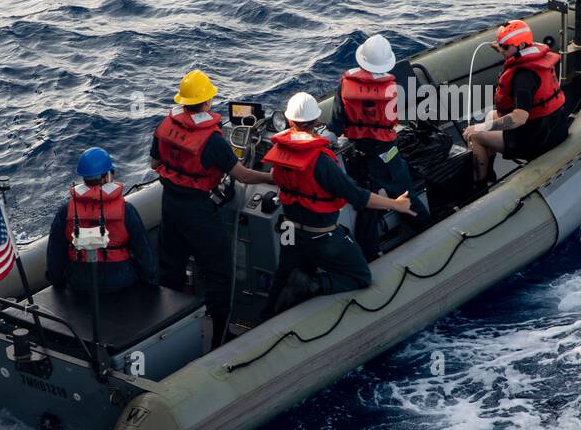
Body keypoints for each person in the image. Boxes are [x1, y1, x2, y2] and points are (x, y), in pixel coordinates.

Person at [259, 92, 414, 319]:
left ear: (290, 121)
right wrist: (396, 204)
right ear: (316, 121)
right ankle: (313, 284)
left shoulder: (280, 152)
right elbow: (358, 196)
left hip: (289, 232)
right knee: (360, 276)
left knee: (283, 275)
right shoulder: (321, 161)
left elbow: (276, 178)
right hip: (321, 236)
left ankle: (266, 317)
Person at [151, 69, 272, 347]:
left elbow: (155, 164)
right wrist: (271, 177)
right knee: (220, 272)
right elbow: (242, 175)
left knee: (170, 268)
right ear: (206, 102)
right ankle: (220, 334)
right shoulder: (212, 140)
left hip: (170, 206)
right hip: (199, 212)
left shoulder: (165, 127)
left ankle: (167, 334)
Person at [328, 33, 431, 260]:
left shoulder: (345, 84)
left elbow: (335, 124)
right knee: (404, 192)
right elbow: (390, 121)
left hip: (358, 153)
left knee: (369, 203)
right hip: (385, 153)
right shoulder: (390, 88)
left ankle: (369, 254)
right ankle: (426, 228)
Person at [463, 19, 568, 182]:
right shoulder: (534, 56)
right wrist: (503, 47)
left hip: (538, 139)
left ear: (521, 46)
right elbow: (517, 52)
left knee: (474, 135)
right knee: (491, 115)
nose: (501, 50)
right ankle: (488, 171)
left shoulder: (523, 77)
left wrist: (479, 127)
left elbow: (519, 118)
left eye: (505, 47)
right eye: (500, 46)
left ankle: (480, 183)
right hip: (553, 126)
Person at [46, 147, 157, 294]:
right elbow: (143, 251)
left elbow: (55, 252)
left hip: (79, 281)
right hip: (120, 280)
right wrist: (151, 281)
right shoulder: (126, 210)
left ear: (84, 177)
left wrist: (57, 281)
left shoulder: (66, 211)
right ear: (107, 177)